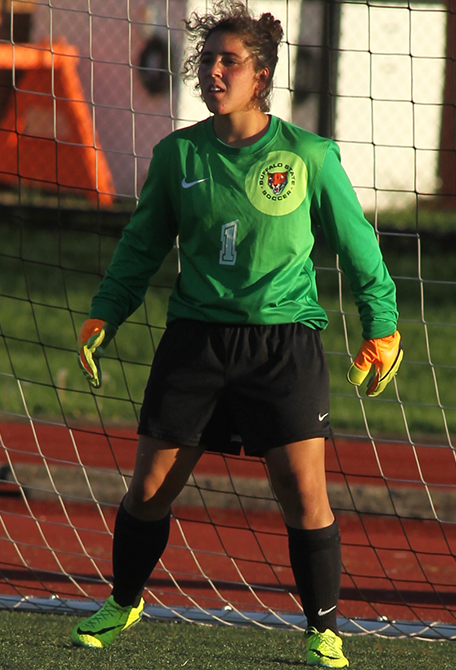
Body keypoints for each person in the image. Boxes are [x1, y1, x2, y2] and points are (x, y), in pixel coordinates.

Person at [70, 2, 401, 666]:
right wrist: (107, 312)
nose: (214, 71)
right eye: (207, 60)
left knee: (303, 490)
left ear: (263, 74)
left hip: (284, 344)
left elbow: (359, 247)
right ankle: (124, 599)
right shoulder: (178, 155)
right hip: (197, 341)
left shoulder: (309, 155)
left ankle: (324, 628)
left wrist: (383, 326)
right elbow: (141, 248)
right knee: (150, 489)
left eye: (230, 61)